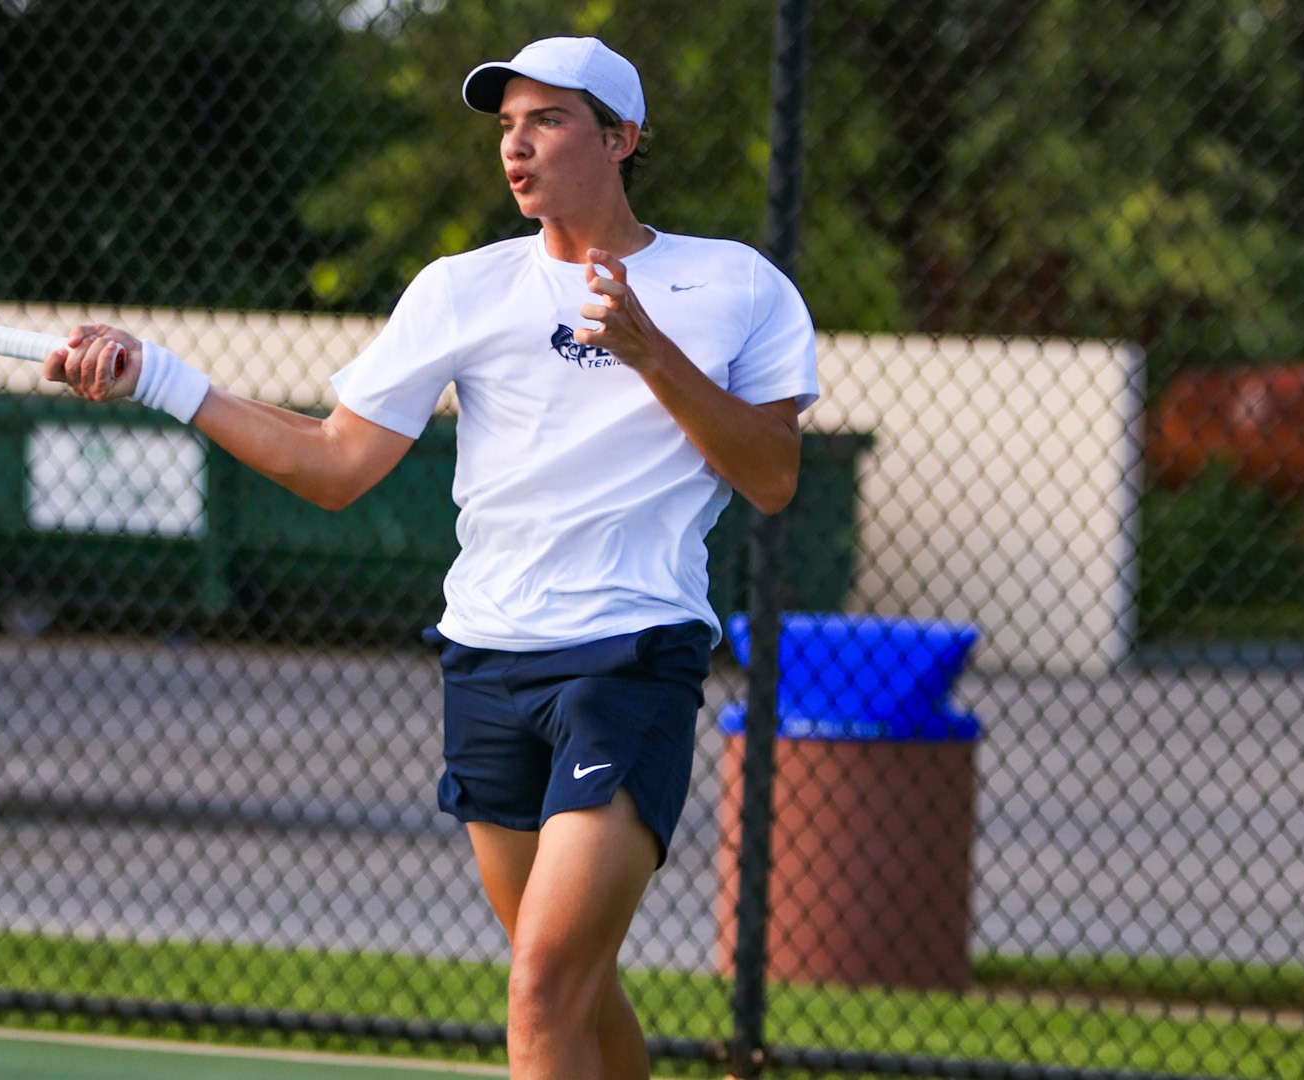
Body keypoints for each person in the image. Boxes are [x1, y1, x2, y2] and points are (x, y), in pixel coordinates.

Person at [43, 36, 819, 1080]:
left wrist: (650, 353)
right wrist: (160, 379)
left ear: (621, 137)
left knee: (542, 986)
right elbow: (333, 466)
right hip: (486, 666)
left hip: (629, 662)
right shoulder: (462, 289)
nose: (517, 146)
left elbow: (771, 475)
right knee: (571, 991)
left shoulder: (736, 286)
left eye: (546, 120)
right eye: (506, 126)